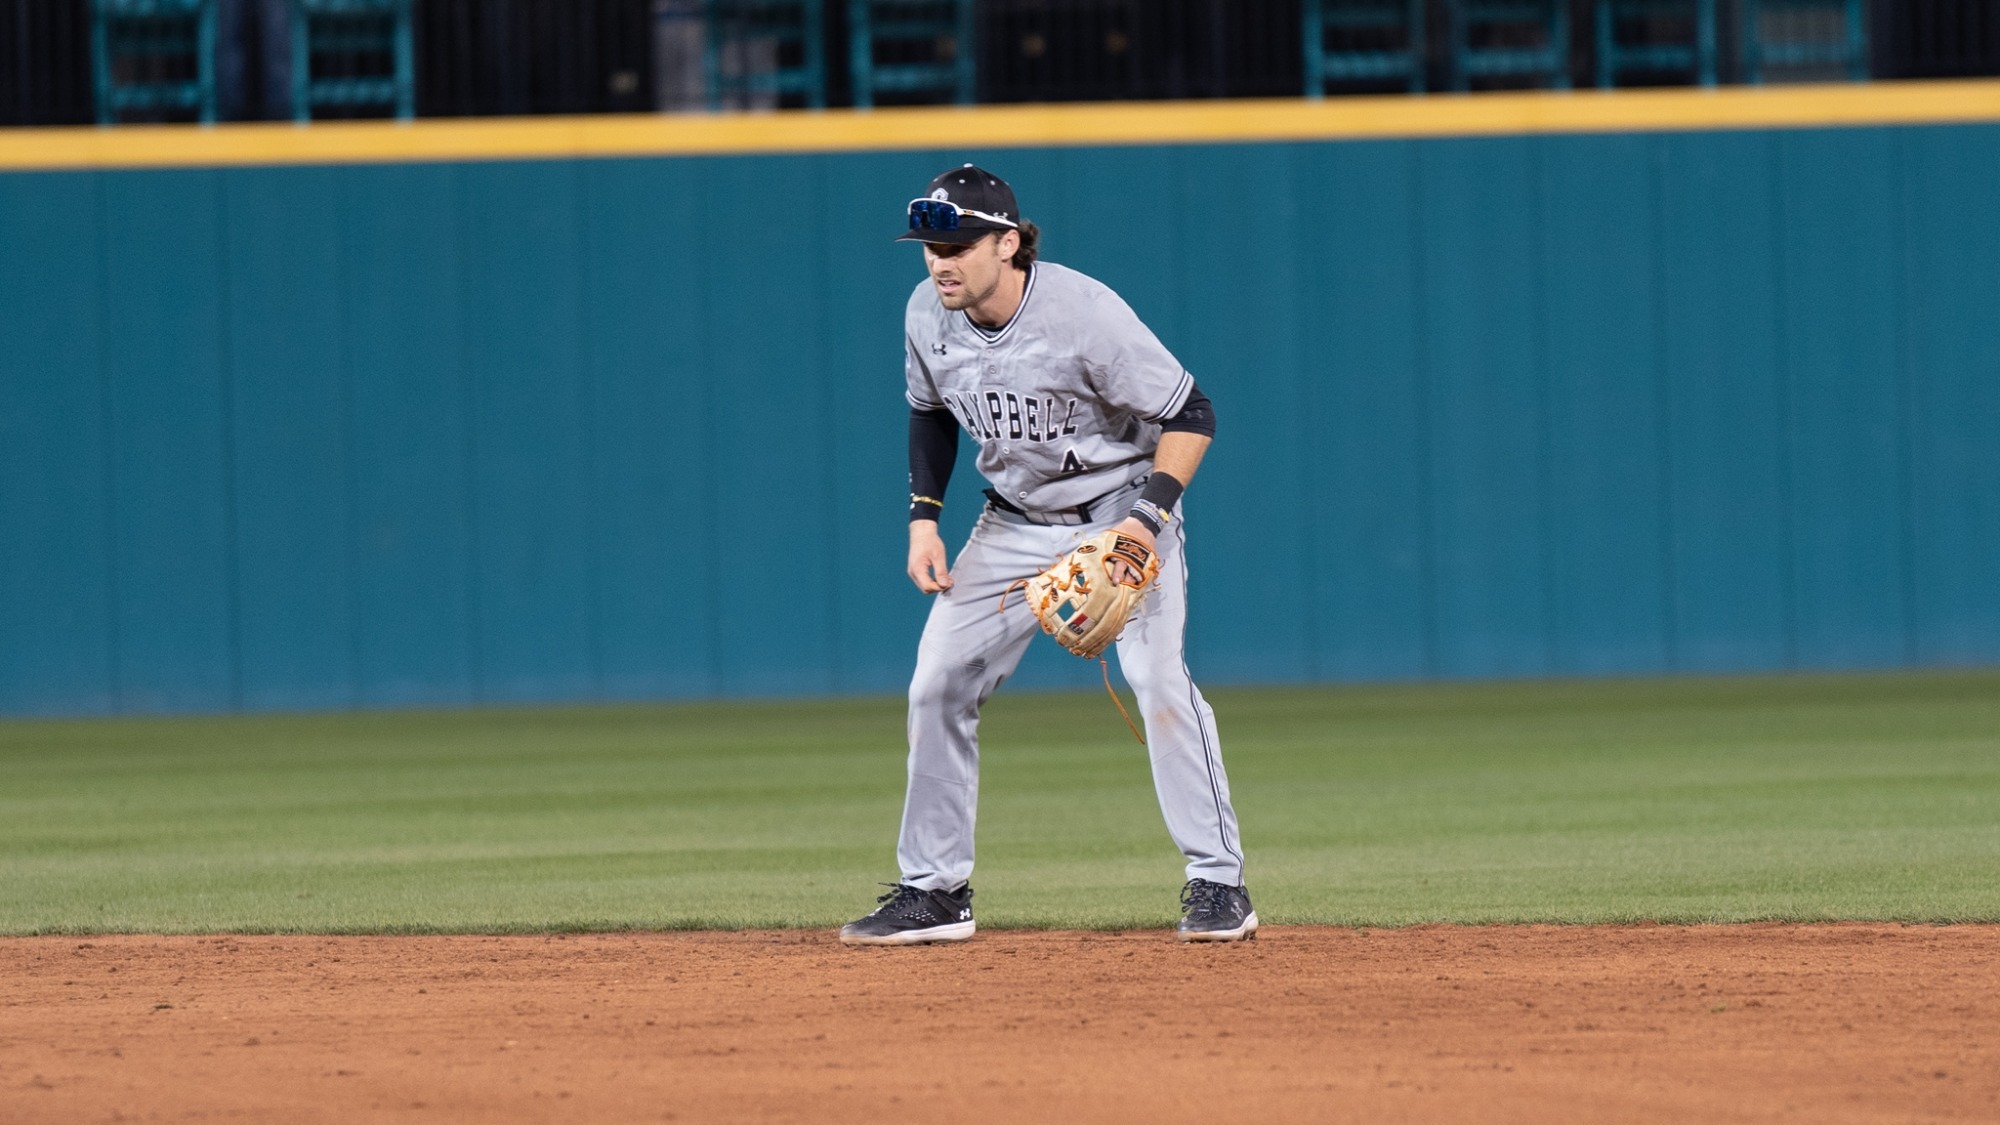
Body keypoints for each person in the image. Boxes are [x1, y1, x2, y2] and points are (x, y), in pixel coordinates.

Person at [838, 165, 1254, 946]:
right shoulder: (927, 312)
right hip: (1011, 526)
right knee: (936, 684)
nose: (941, 260)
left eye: (959, 243)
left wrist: (1146, 520)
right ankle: (935, 891)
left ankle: (1219, 880)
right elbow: (929, 412)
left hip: (1118, 516)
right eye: (930, 245)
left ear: (1008, 243)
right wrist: (922, 519)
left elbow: (1191, 412)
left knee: (1156, 678)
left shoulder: (1083, 313)